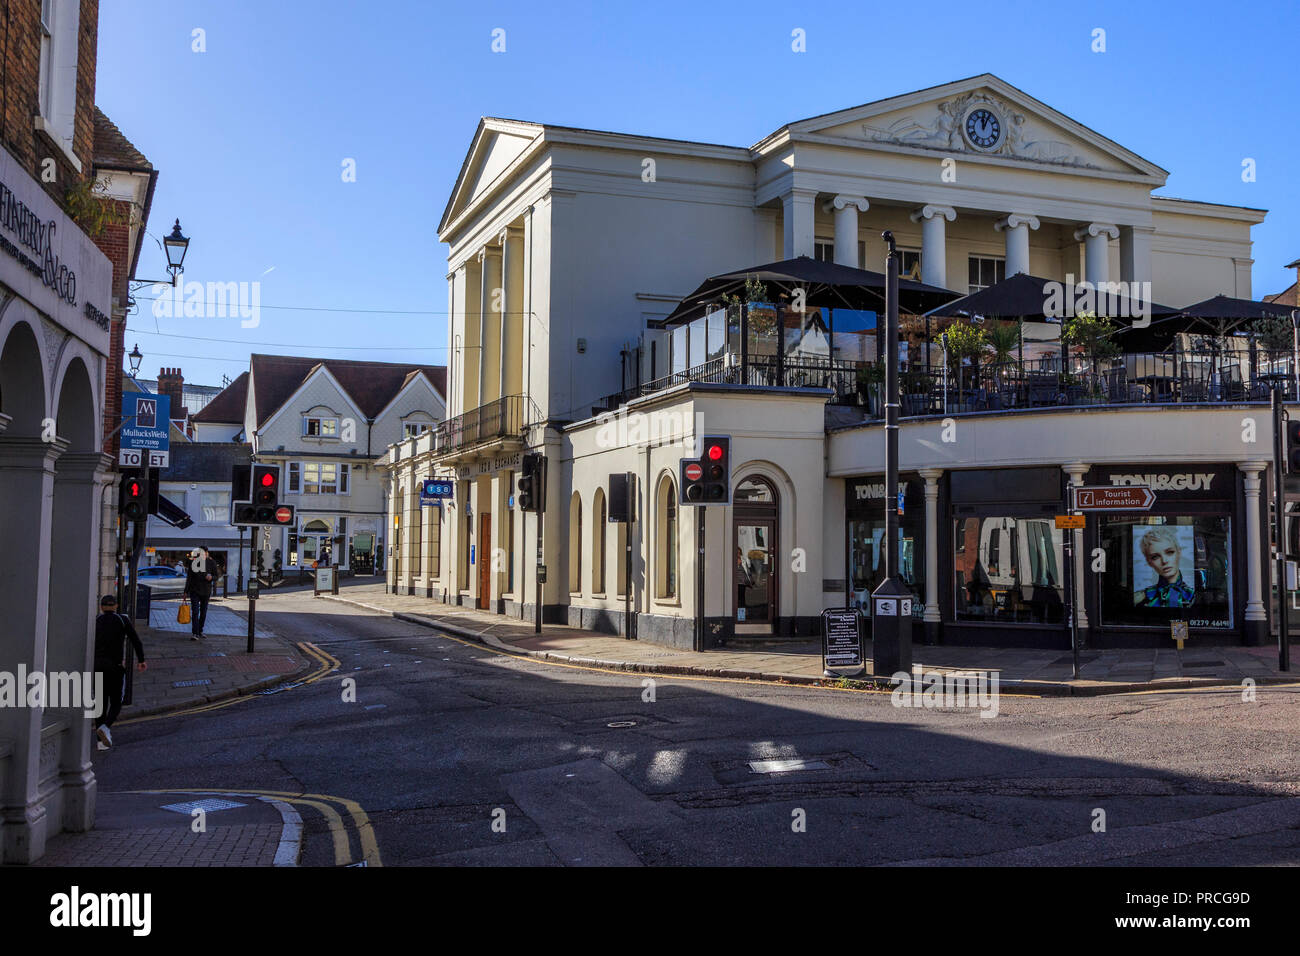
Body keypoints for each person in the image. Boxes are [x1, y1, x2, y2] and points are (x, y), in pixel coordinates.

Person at [93, 594, 147, 750]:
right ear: (116, 606)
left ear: (102, 607)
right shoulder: (122, 620)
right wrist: (141, 660)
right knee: (117, 701)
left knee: (100, 704)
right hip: (115, 667)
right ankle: (106, 727)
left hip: (97, 666)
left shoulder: (96, 621)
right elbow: (136, 640)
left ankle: (100, 742)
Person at [1134, 526, 1196, 607]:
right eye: (1155, 557)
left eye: (1169, 552)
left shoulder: (1194, 596)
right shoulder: (1140, 598)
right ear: (1149, 562)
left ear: (1179, 553)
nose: (1164, 561)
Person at [182, 547, 216, 640]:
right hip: (195, 591)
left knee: (203, 612)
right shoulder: (193, 563)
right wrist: (185, 591)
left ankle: (200, 631)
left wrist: (211, 577)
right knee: (195, 612)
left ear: (206, 553)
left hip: (206, 591)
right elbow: (189, 578)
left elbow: (216, 575)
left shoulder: (211, 563)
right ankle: (195, 633)